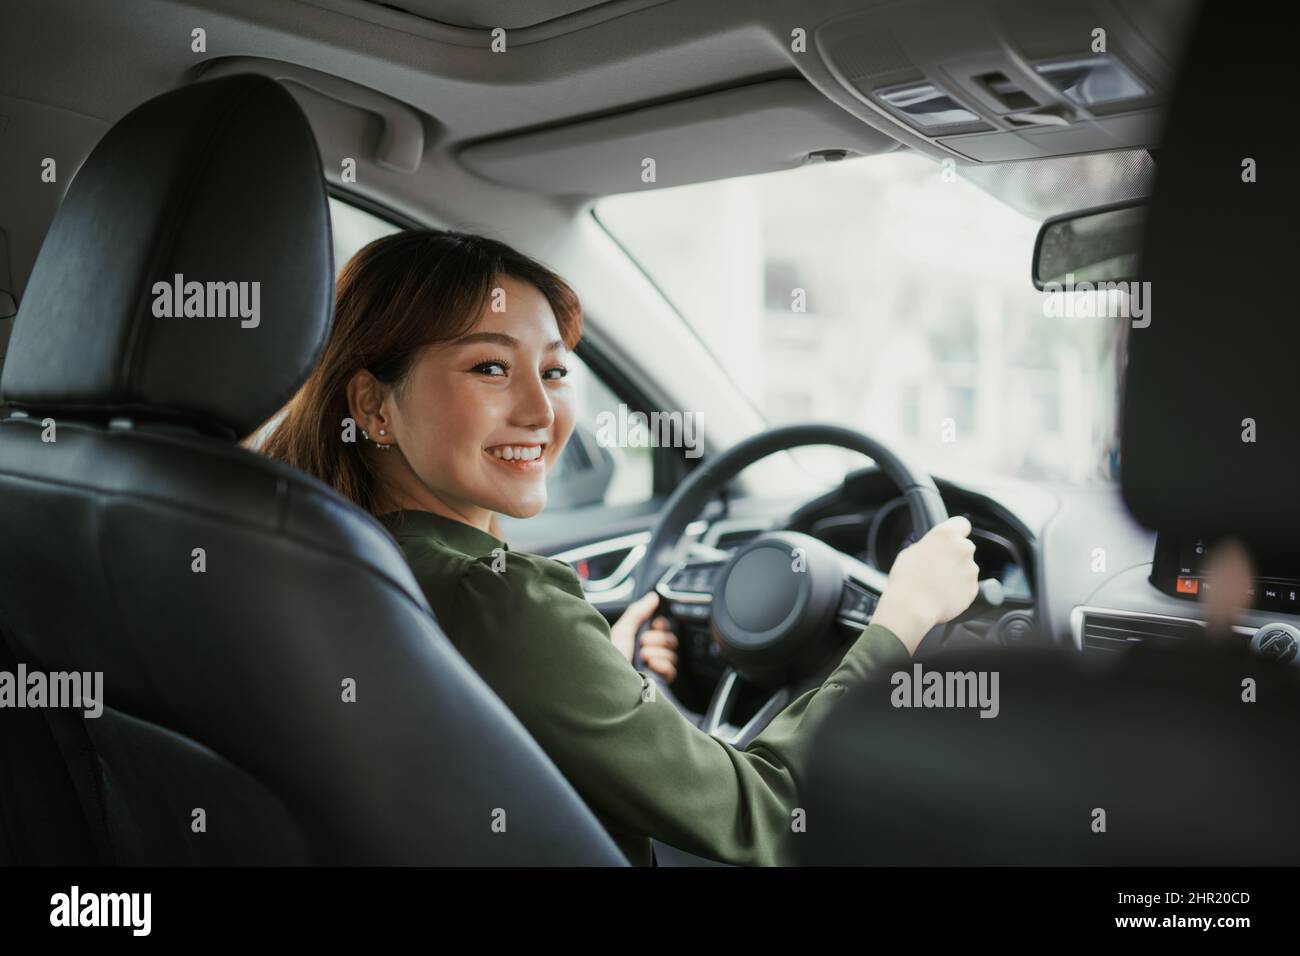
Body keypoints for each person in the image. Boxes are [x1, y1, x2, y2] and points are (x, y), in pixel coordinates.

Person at [250, 229, 980, 865]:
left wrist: (600, 677)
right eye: (491, 368)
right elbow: (773, 817)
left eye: (557, 370)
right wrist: (901, 621)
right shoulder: (500, 598)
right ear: (374, 405)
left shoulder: (308, 555)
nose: (541, 411)